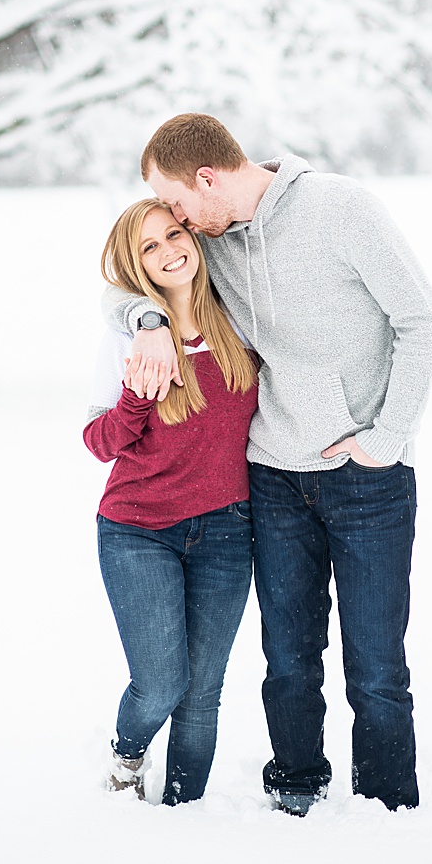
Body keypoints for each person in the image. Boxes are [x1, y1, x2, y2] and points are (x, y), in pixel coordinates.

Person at [108, 113, 432, 815]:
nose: (177, 220)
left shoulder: (342, 209)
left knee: (376, 667)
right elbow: (127, 272)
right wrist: (147, 320)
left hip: (368, 474)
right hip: (274, 476)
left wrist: (387, 435)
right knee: (289, 660)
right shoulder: (213, 238)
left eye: (177, 203)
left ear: (208, 178)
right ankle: (295, 787)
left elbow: (421, 319)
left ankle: (388, 811)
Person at [83, 198, 259, 805]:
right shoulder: (126, 337)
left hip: (227, 532)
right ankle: (127, 754)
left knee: (203, 691)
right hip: (138, 531)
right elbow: (97, 442)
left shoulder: (240, 320)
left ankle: (184, 813)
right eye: (149, 247)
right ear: (137, 266)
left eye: (173, 233)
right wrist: (135, 396)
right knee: (161, 683)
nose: (168, 251)